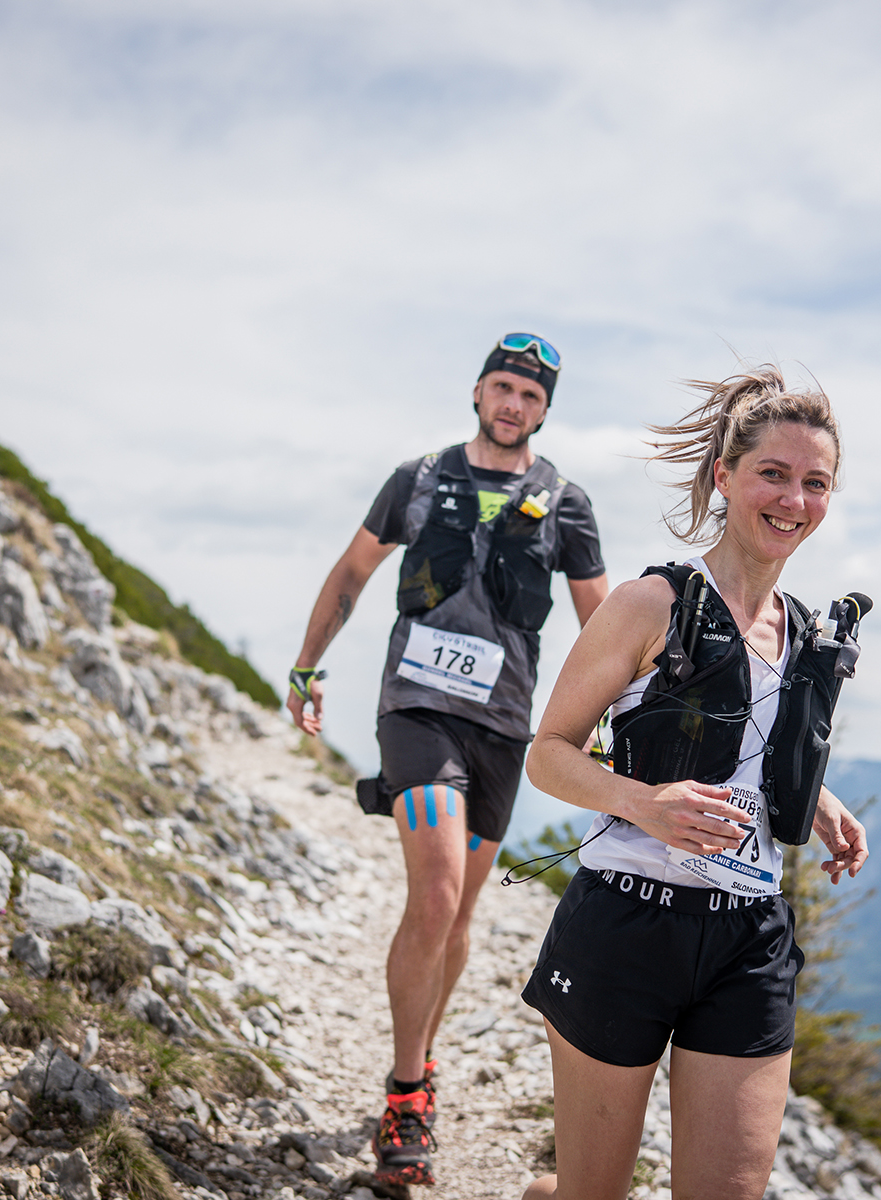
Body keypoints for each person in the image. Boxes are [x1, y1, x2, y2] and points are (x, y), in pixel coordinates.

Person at [518, 365, 870, 1200]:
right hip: (626, 926)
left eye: (814, 483)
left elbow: (749, 748)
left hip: (748, 938)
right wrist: (644, 803)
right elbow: (549, 751)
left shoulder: (806, 635)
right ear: (725, 476)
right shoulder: (652, 604)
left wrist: (813, 796)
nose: (794, 499)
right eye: (773, 475)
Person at [286, 333, 609, 1187]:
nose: (514, 405)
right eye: (503, 388)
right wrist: (307, 665)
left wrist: (617, 727)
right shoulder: (417, 479)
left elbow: (603, 628)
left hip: (500, 730)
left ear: (544, 410)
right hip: (417, 714)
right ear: (477, 392)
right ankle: (405, 1095)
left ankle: (420, 1054)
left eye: (531, 397)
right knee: (431, 895)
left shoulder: (567, 504)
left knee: (458, 920)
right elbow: (353, 573)